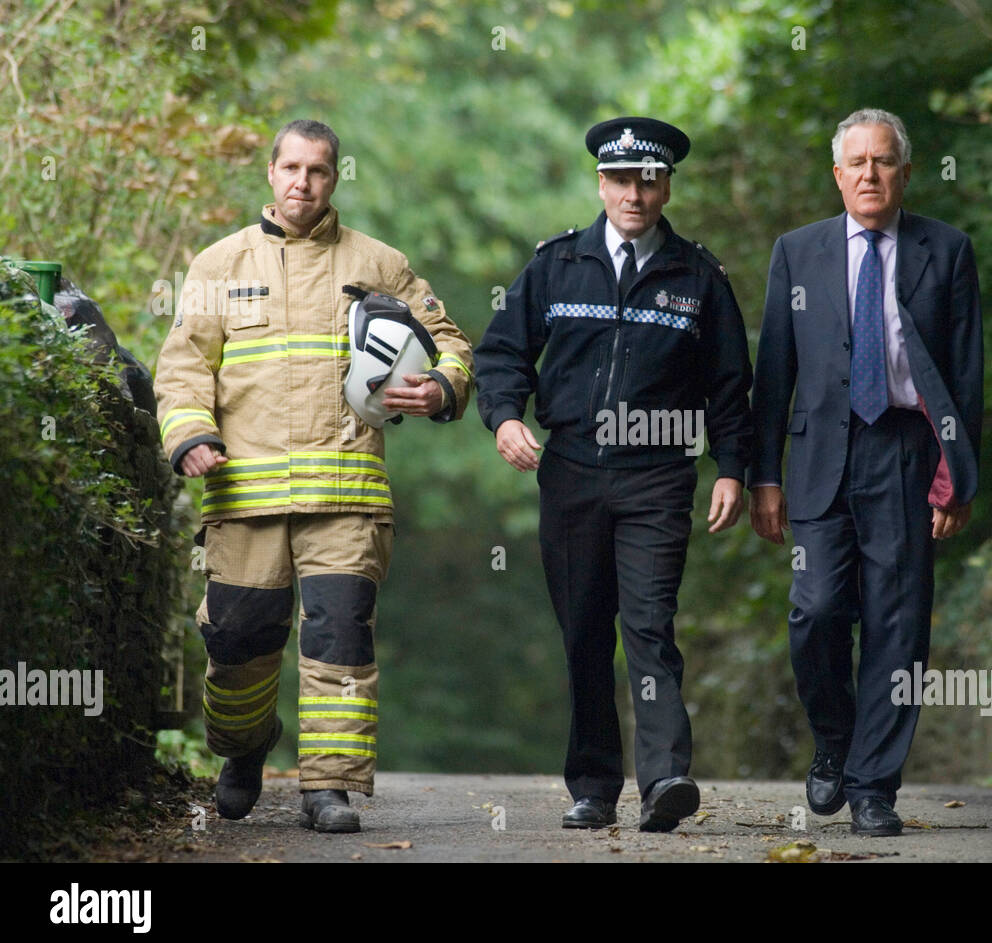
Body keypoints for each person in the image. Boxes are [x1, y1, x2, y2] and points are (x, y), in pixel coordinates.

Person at [154, 119, 473, 833]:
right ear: (271, 173)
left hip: (346, 497)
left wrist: (441, 388)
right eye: (291, 168)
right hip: (244, 496)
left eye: (319, 170)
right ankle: (242, 750)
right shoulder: (218, 265)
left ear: (336, 178)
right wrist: (191, 436)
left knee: (339, 638)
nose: (303, 182)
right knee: (237, 640)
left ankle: (327, 786)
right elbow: (181, 369)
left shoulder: (381, 263)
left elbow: (449, 343)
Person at [476, 116, 753, 832]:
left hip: (659, 475)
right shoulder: (555, 265)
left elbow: (730, 384)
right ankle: (594, 784)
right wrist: (505, 416)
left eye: (649, 179)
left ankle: (665, 778)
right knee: (585, 632)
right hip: (571, 471)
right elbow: (502, 352)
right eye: (622, 179)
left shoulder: (699, 277)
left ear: (666, 186)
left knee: (652, 624)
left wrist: (732, 469)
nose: (635, 192)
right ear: (601, 183)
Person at [748, 108, 983, 836]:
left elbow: (965, 375)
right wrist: (764, 475)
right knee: (816, 611)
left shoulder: (946, 251)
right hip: (820, 454)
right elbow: (773, 372)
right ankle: (835, 740)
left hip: (908, 453)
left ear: (904, 172)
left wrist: (958, 473)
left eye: (883, 161)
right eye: (857, 162)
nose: (870, 174)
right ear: (838, 175)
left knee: (898, 625)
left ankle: (875, 785)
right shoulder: (798, 252)